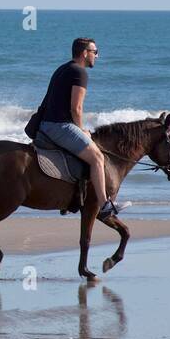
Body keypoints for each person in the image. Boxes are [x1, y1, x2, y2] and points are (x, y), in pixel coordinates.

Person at [37, 38, 130, 219]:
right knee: (97, 158)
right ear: (85, 53)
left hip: (47, 124)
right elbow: (76, 108)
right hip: (60, 126)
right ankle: (104, 205)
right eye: (95, 52)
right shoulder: (80, 73)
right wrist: (81, 130)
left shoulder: (63, 69)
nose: (97, 56)